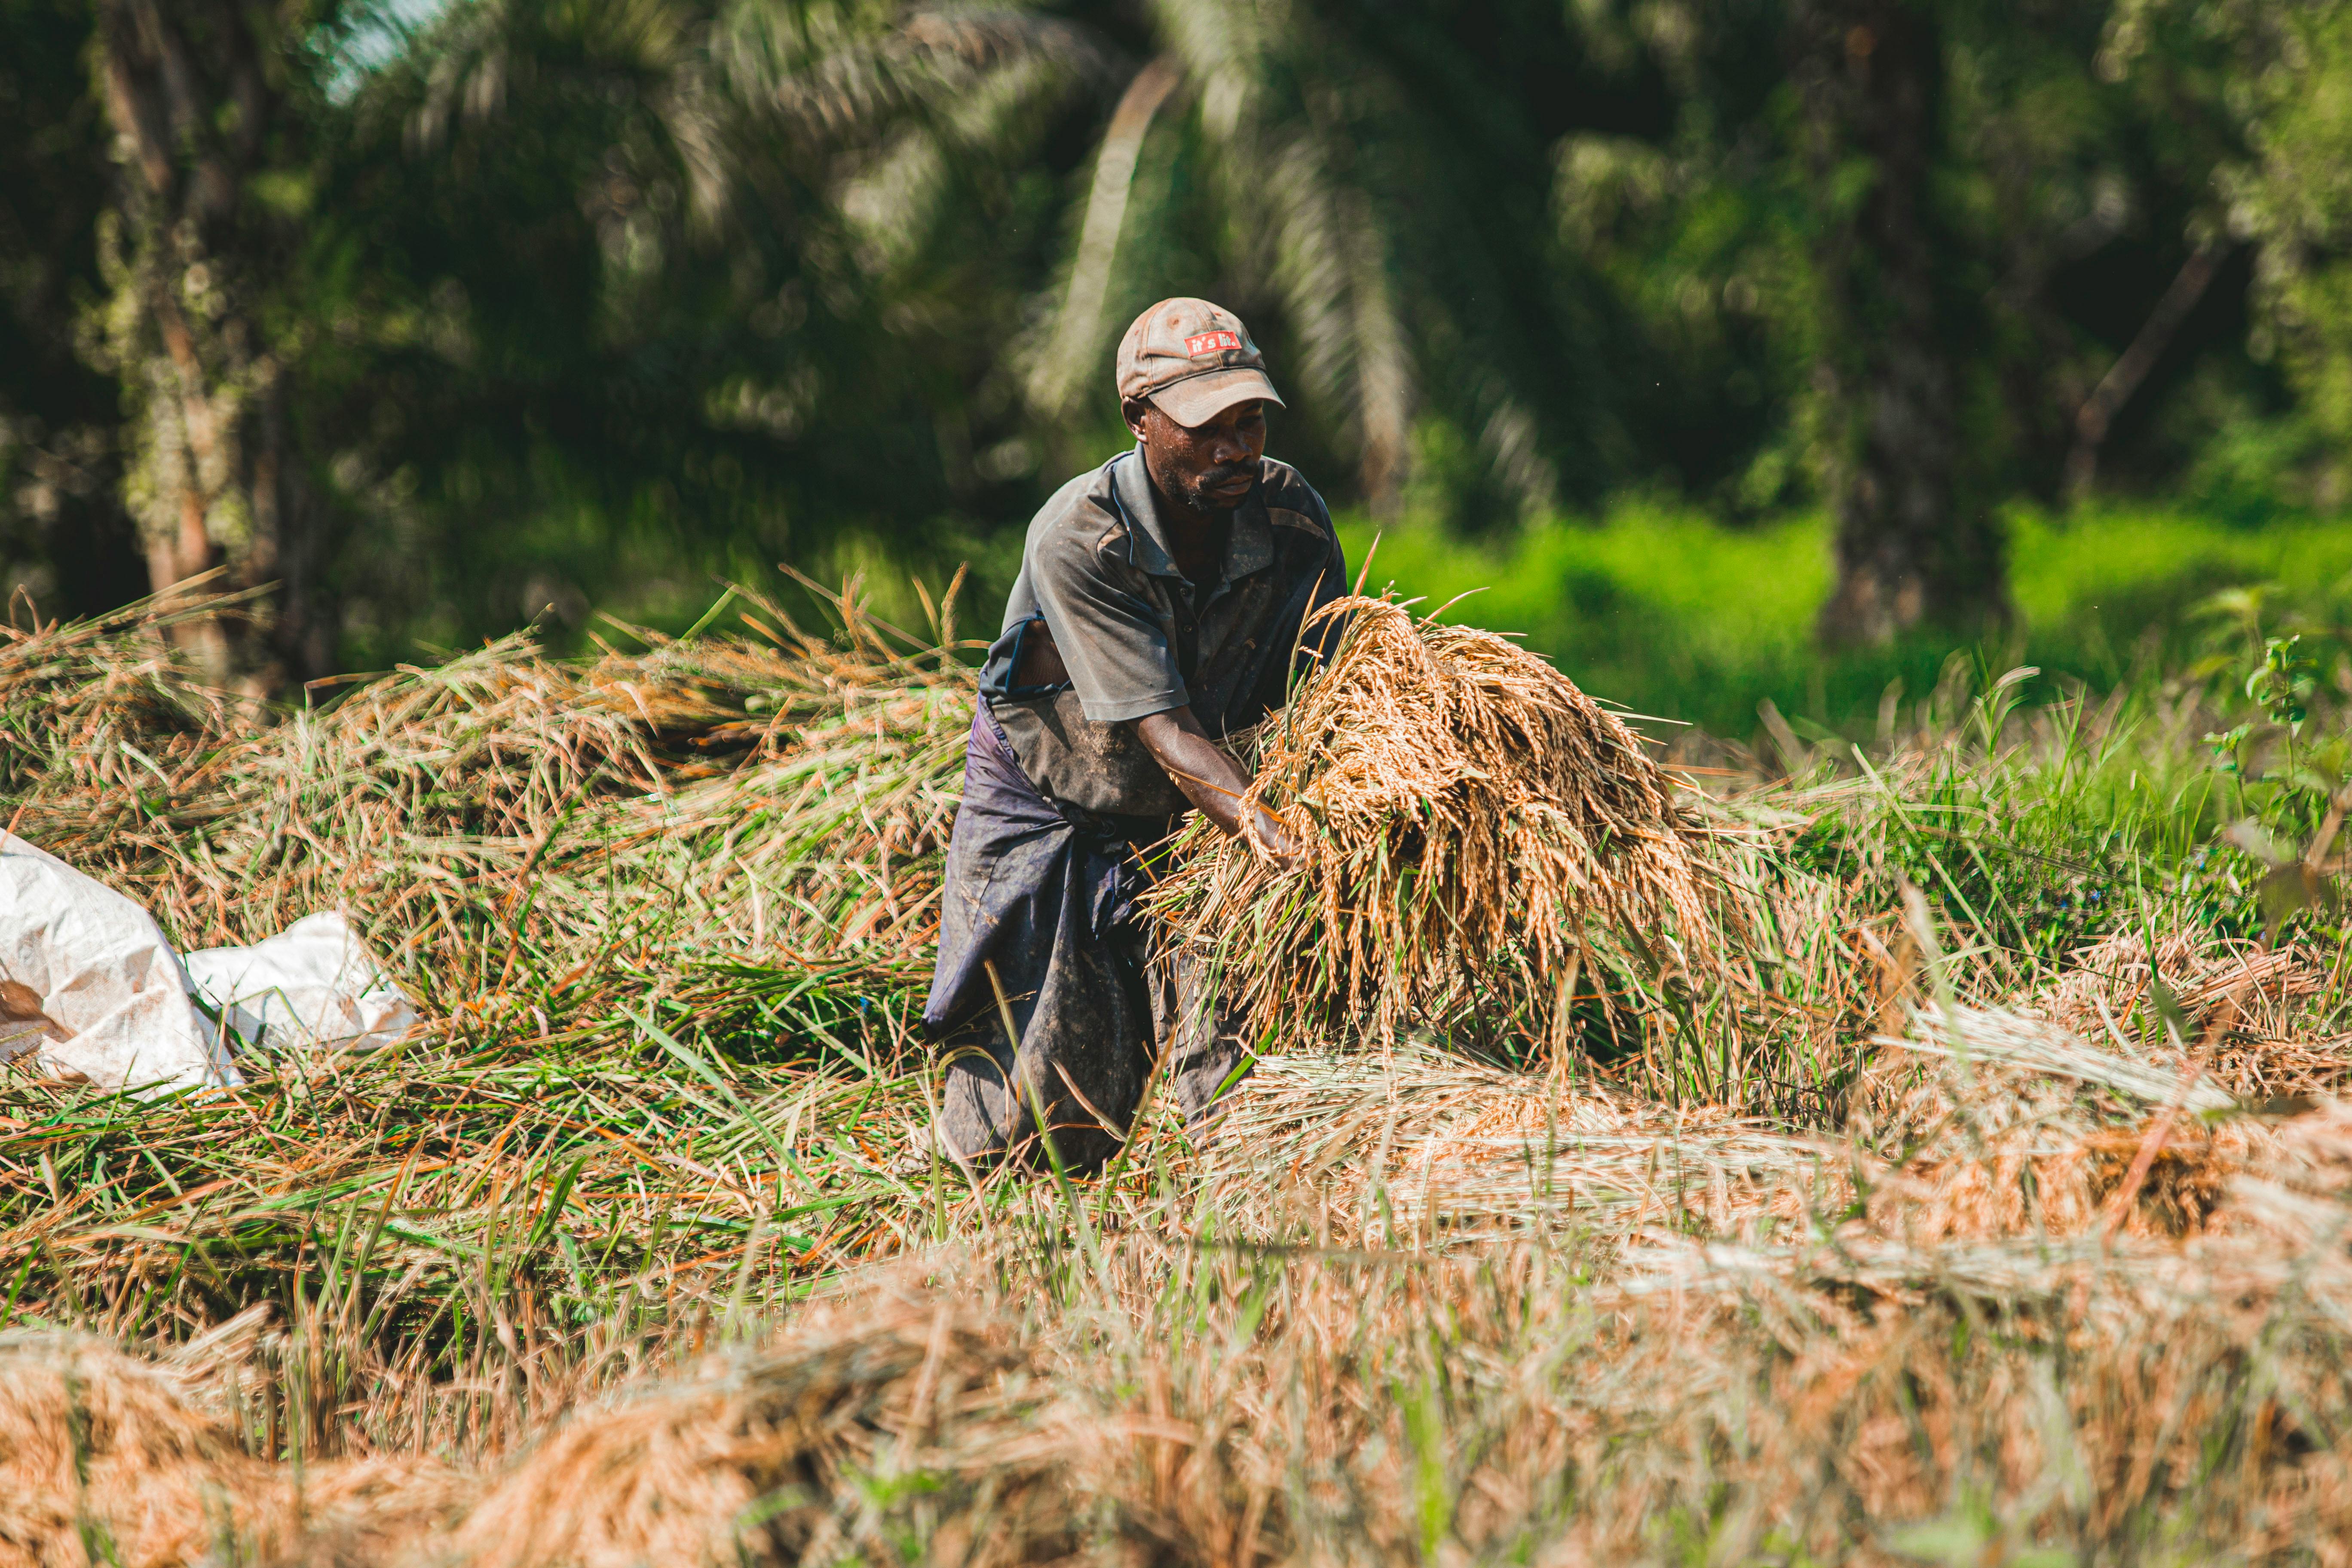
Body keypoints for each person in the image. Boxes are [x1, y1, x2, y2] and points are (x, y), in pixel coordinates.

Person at [922, 298, 1349, 1170]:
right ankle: (985, 1252)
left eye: (1250, 421)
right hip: (1059, 799)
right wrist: (1280, 835)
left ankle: (1253, 1198)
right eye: (1206, 429)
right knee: (1043, 1108)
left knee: (1235, 1039)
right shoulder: (1083, 539)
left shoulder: (1290, 515)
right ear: (1140, 422)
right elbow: (1163, 728)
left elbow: (1334, 683)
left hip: (1210, 797)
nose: (1235, 449)